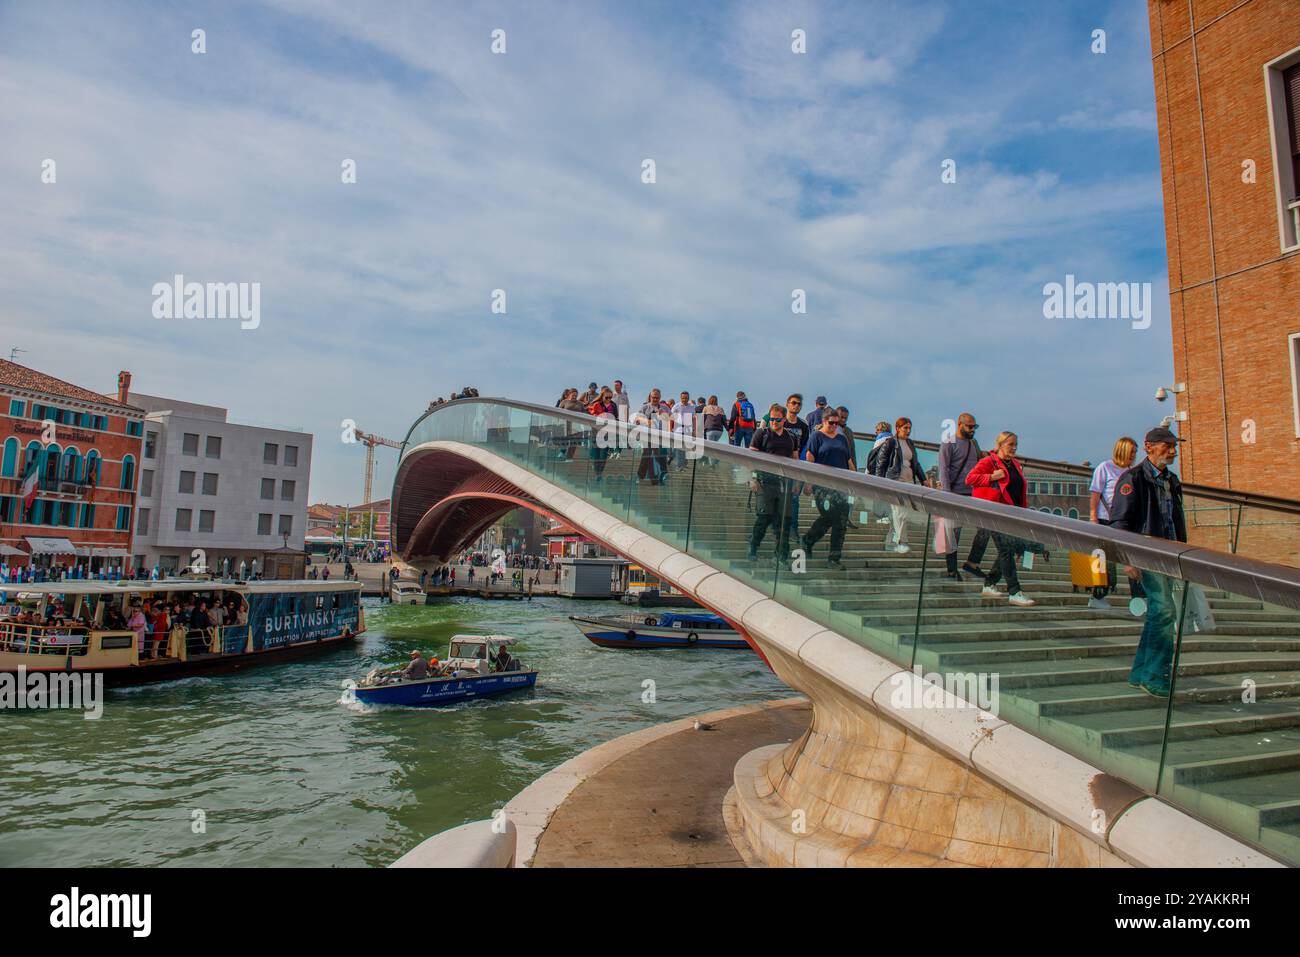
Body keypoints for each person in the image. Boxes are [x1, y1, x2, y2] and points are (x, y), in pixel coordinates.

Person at [1110, 427, 1187, 697]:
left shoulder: (1171, 480)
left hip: (1169, 556)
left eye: (1174, 445)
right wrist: (1128, 559)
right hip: (1146, 556)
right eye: (1167, 446)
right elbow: (1120, 523)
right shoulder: (1133, 478)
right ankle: (1155, 676)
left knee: (1158, 613)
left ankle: (1140, 672)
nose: (1173, 451)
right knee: (1165, 612)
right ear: (1149, 447)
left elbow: (1175, 519)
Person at [965, 431, 1035, 607]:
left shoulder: (1016, 465)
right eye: (1011, 444)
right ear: (1000, 444)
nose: (1014, 448)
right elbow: (970, 478)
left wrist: (1023, 514)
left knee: (1009, 550)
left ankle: (989, 584)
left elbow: (1019, 492)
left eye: (1016, 444)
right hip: (994, 513)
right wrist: (991, 477)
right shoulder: (989, 461)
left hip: (1012, 514)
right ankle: (1014, 591)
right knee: (1005, 549)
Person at [1087, 436, 1143, 609]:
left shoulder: (1133, 471)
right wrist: (1093, 517)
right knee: (1105, 560)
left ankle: (1139, 598)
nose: (1133, 455)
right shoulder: (1105, 467)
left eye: (1135, 452)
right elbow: (1095, 494)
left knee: (1132, 560)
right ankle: (1097, 596)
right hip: (1106, 519)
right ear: (1122, 450)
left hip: (1126, 521)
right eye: (1131, 451)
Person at [802, 407, 857, 569]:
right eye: (831, 423)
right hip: (822, 485)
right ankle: (808, 540)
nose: (834, 425)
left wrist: (856, 481)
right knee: (829, 516)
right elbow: (809, 459)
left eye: (836, 423)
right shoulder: (816, 436)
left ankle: (834, 559)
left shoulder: (841, 439)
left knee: (840, 522)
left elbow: (849, 461)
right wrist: (808, 482)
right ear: (823, 421)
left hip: (841, 486)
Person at [937, 412, 990, 579]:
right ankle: (952, 570)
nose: (973, 429)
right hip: (955, 494)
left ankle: (972, 563)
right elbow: (943, 469)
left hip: (974, 494)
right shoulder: (949, 442)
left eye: (975, 426)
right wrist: (946, 495)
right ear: (960, 424)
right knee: (954, 533)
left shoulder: (973, 443)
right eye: (970, 426)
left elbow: (980, 462)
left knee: (985, 528)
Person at [747, 404, 801, 562]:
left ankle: (781, 556)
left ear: (784, 419)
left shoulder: (791, 437)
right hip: (765, 482)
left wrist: (797, 481)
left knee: (784, 521)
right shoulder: (761, 434)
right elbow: (750, 458)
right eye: (771, 419)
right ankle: (753, 548)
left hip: (785, 484)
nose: (774, 422)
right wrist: (753, 479)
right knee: (764, 518)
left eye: (777, 419)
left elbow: (795, 460)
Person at [872, 417, 926, 554]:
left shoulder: (910, 443)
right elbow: (881, 464)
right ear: (897, 428)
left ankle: (892, 540)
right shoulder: (890, 443)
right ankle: (901, 542)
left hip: (909, 482)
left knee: (902, 513)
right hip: (895, 481)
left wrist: (923, 479)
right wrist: (880, 484)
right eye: (905, 428)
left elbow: (916, 463)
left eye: (909, 428)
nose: (908, 431)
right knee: (899, 512)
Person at [669, 391, 696, 470]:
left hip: (688, 430)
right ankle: (678, 465)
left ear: (688, 398)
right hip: (678, 430)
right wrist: (670, 429)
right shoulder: (676, 406)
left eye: (686, 398)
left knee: (684, 448)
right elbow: (671, 418)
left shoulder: (692, 407)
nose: (684, 399)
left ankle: (681, 464)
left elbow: (693, 419)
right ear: (680, 398)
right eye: (683, 398)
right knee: (678, 448)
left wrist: (694, 430)